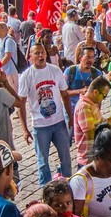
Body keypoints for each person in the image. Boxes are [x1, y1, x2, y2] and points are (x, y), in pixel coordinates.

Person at [18, 41, 73, 186]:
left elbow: (65, 95)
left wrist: (70, 117)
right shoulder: (26, 76)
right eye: (37, 53)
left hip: (59, 121)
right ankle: (46, 188)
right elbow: (21, 103)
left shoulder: (55, 71)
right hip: (40, 125)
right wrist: (24, 129)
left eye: (42, 52)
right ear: (31, 56)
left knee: (66, 156)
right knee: (43, 161)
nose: (41, 55)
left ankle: (67, 183)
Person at [74, 76, 111, 166]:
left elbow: (100, 123)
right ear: (95, 92)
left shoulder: (92, 104)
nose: (104, 99)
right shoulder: (84, 107)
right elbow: (90, 134)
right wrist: (107, 124)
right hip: (88, 161)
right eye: (104, 96)